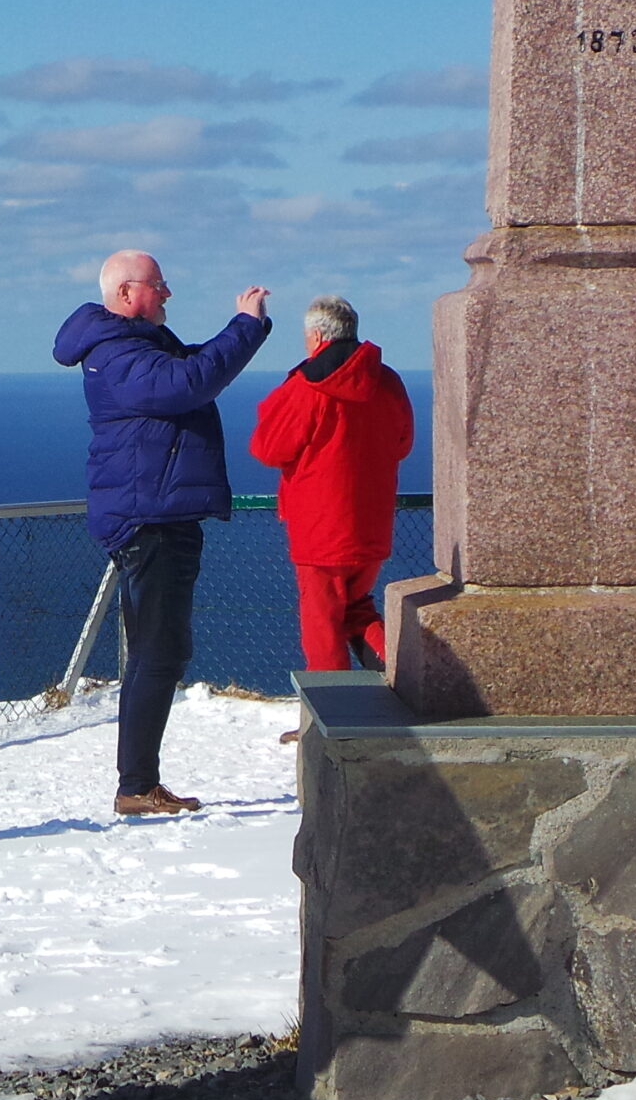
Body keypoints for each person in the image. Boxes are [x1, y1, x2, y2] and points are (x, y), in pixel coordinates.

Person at [53, 251, 272, 815]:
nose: (168, 293)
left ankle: (139, 782)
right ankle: (136, 786)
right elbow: (187, 382)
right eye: (159, 284)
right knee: (158, 652)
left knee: (158, 651)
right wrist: (245, 326)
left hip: (156, 513)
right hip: (148, 517)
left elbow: (192, 366)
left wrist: (245, 330)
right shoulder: (117, 350)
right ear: (127, 293)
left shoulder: (132, 344)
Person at [250, 295, 413, 674]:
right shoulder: (388, 381)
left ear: (318, 337)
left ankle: (332, 705)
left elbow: (268, 448)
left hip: (320, 530)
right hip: (371, 526)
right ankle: (403, 676)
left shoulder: (307, 388)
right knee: (355, 607)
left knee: (321, 624)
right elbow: (402, 443)